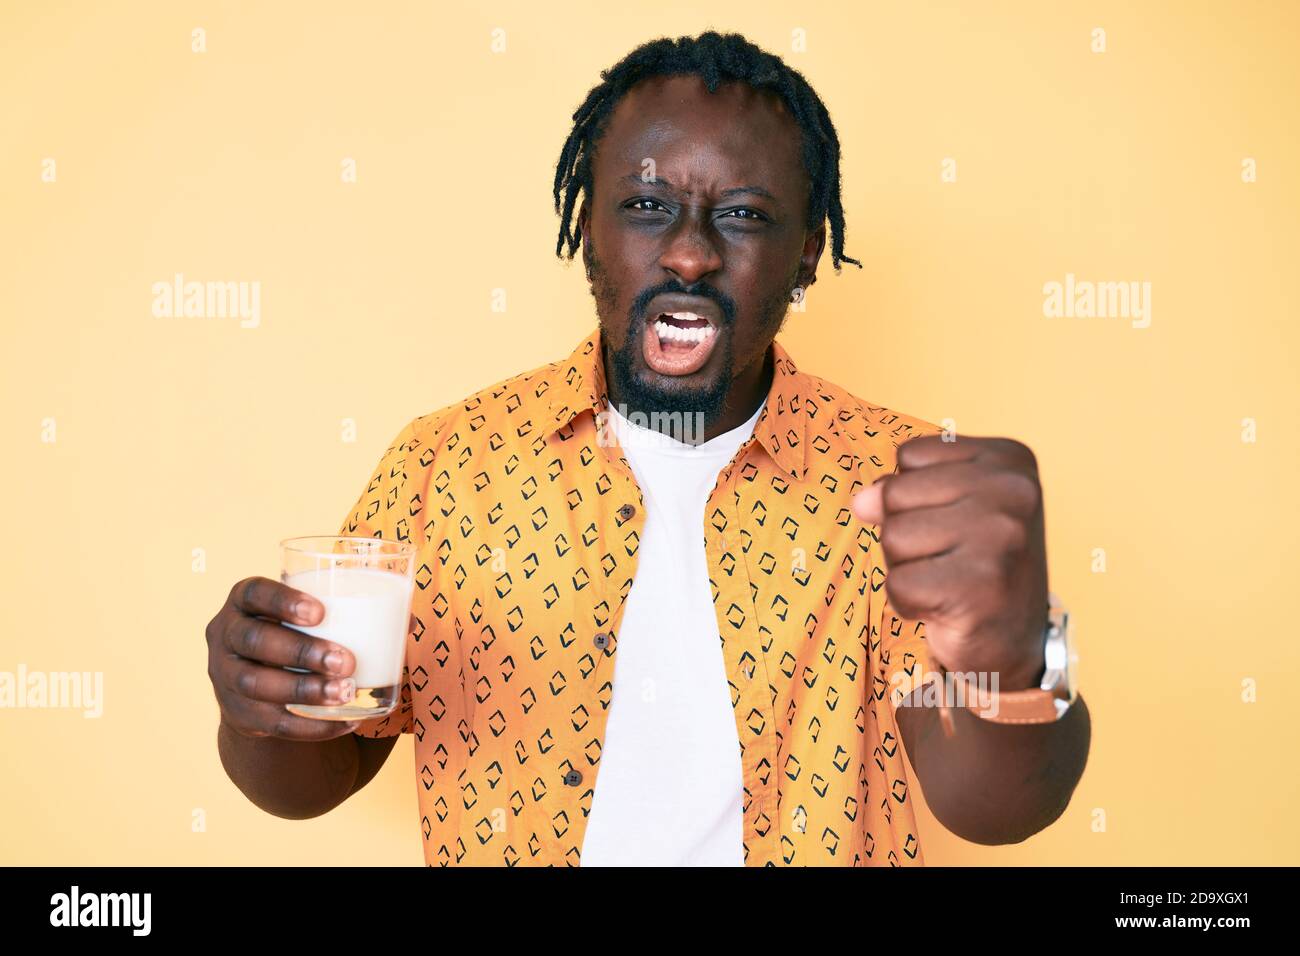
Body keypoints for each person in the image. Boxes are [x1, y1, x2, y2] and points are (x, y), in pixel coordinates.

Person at [207, 31, 1090, 866]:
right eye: (646, 205)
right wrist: (260, 714)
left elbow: (997, 806)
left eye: (743, 216)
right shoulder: (447, 465)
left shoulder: (901, 485)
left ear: (809, 252)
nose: (690, 254)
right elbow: (315, 779)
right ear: (587, 228)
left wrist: (1007, 659)